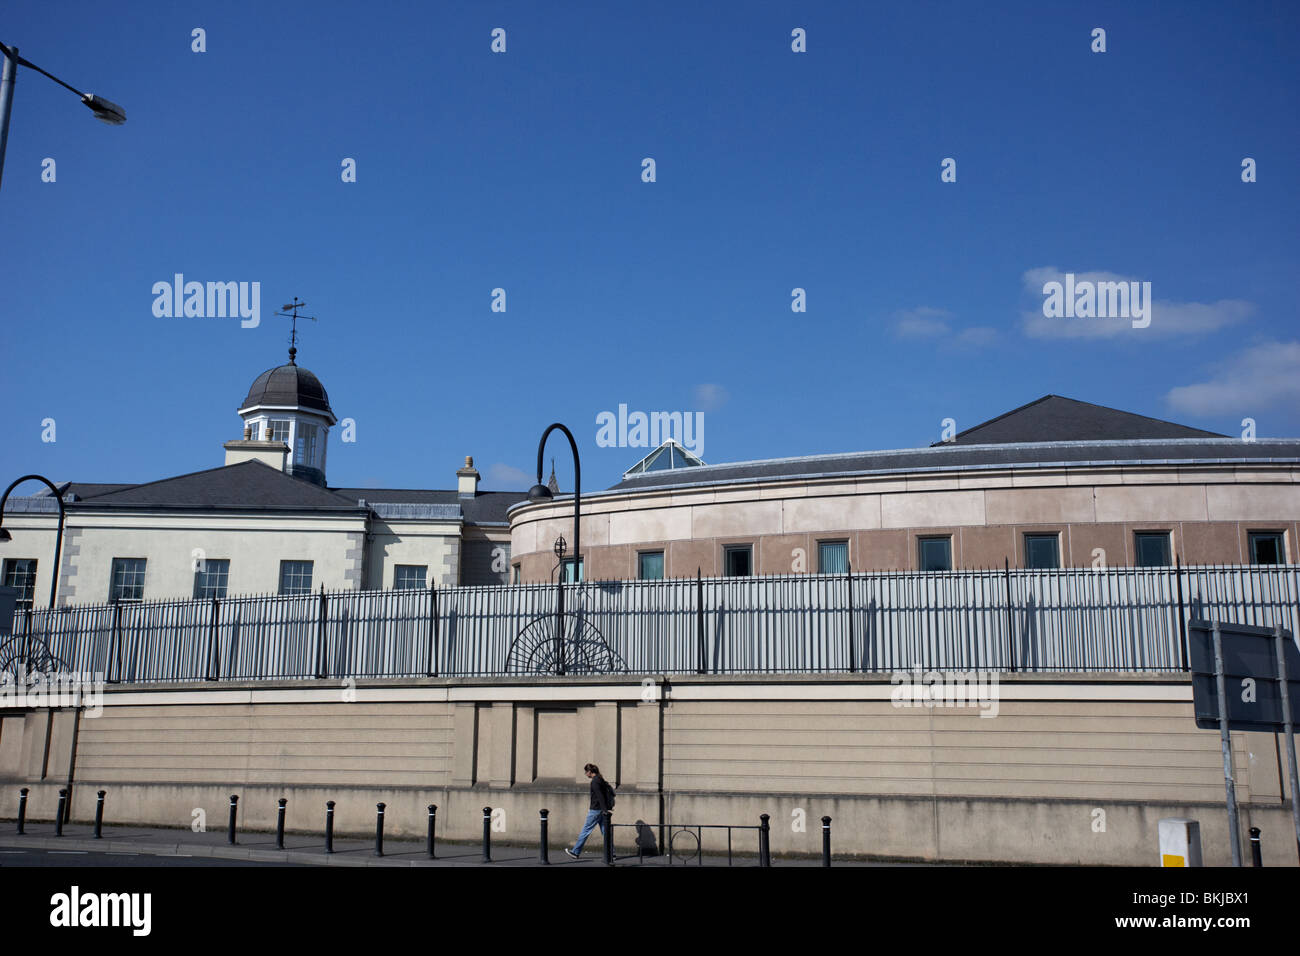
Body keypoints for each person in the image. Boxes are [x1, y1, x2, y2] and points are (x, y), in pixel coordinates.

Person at [565, 763, 613, 860]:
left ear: (590, 772)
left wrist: (604, 810)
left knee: (585, 831)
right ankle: (612, 854)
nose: (585, 774)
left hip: (595, 810)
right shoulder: (600, 779)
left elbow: (600, 796)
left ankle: (575, 852)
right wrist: (605, 810)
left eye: (586, 772)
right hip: (601, 810)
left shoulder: (595, 782)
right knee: (605, 832)